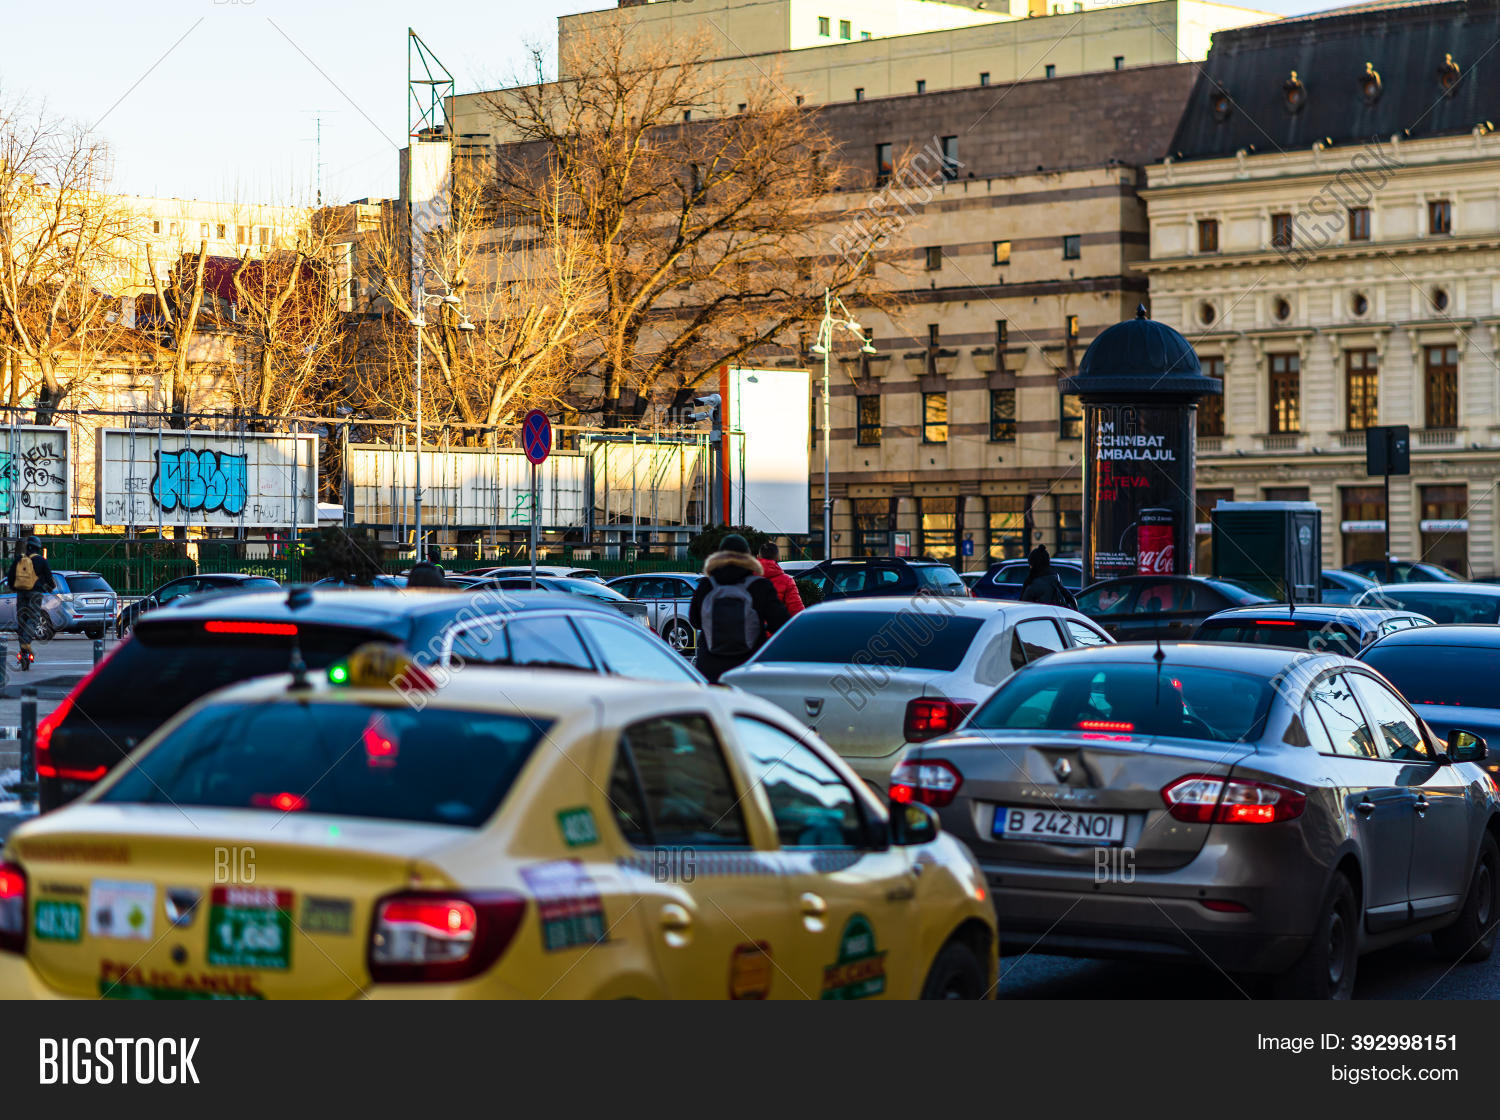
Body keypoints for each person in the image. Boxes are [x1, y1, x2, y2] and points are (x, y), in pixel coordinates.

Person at [689, 534, 789, 683]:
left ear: (719, 556)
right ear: (748, 557)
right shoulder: (760, 586)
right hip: (749, 667)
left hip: (710, 668)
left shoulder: (706, 585)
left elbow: (695, 621)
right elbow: (780, 623)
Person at [7, 536, 55, 670]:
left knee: (22, 620)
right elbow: (49, 579)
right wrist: (49, 588)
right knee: (33, 618)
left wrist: (14, 588)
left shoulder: (19, 559)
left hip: (21, 593)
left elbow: (10, 576)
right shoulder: (41, 561)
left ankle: (23, 650)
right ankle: (26, 643)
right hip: (35, 594)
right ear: (38, 547)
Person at [756, 541, 805, 619]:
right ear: (777, 558)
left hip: (751, 625)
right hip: (777, 625)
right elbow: (796, 610)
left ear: (758, 557)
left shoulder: (747, 577)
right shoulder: (787, 580)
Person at [1020, 545, 1077, 609]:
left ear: (1033, 564)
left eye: (1030, 564)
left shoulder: (1034, 585)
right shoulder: (1055, 578)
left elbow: (1023, 607)